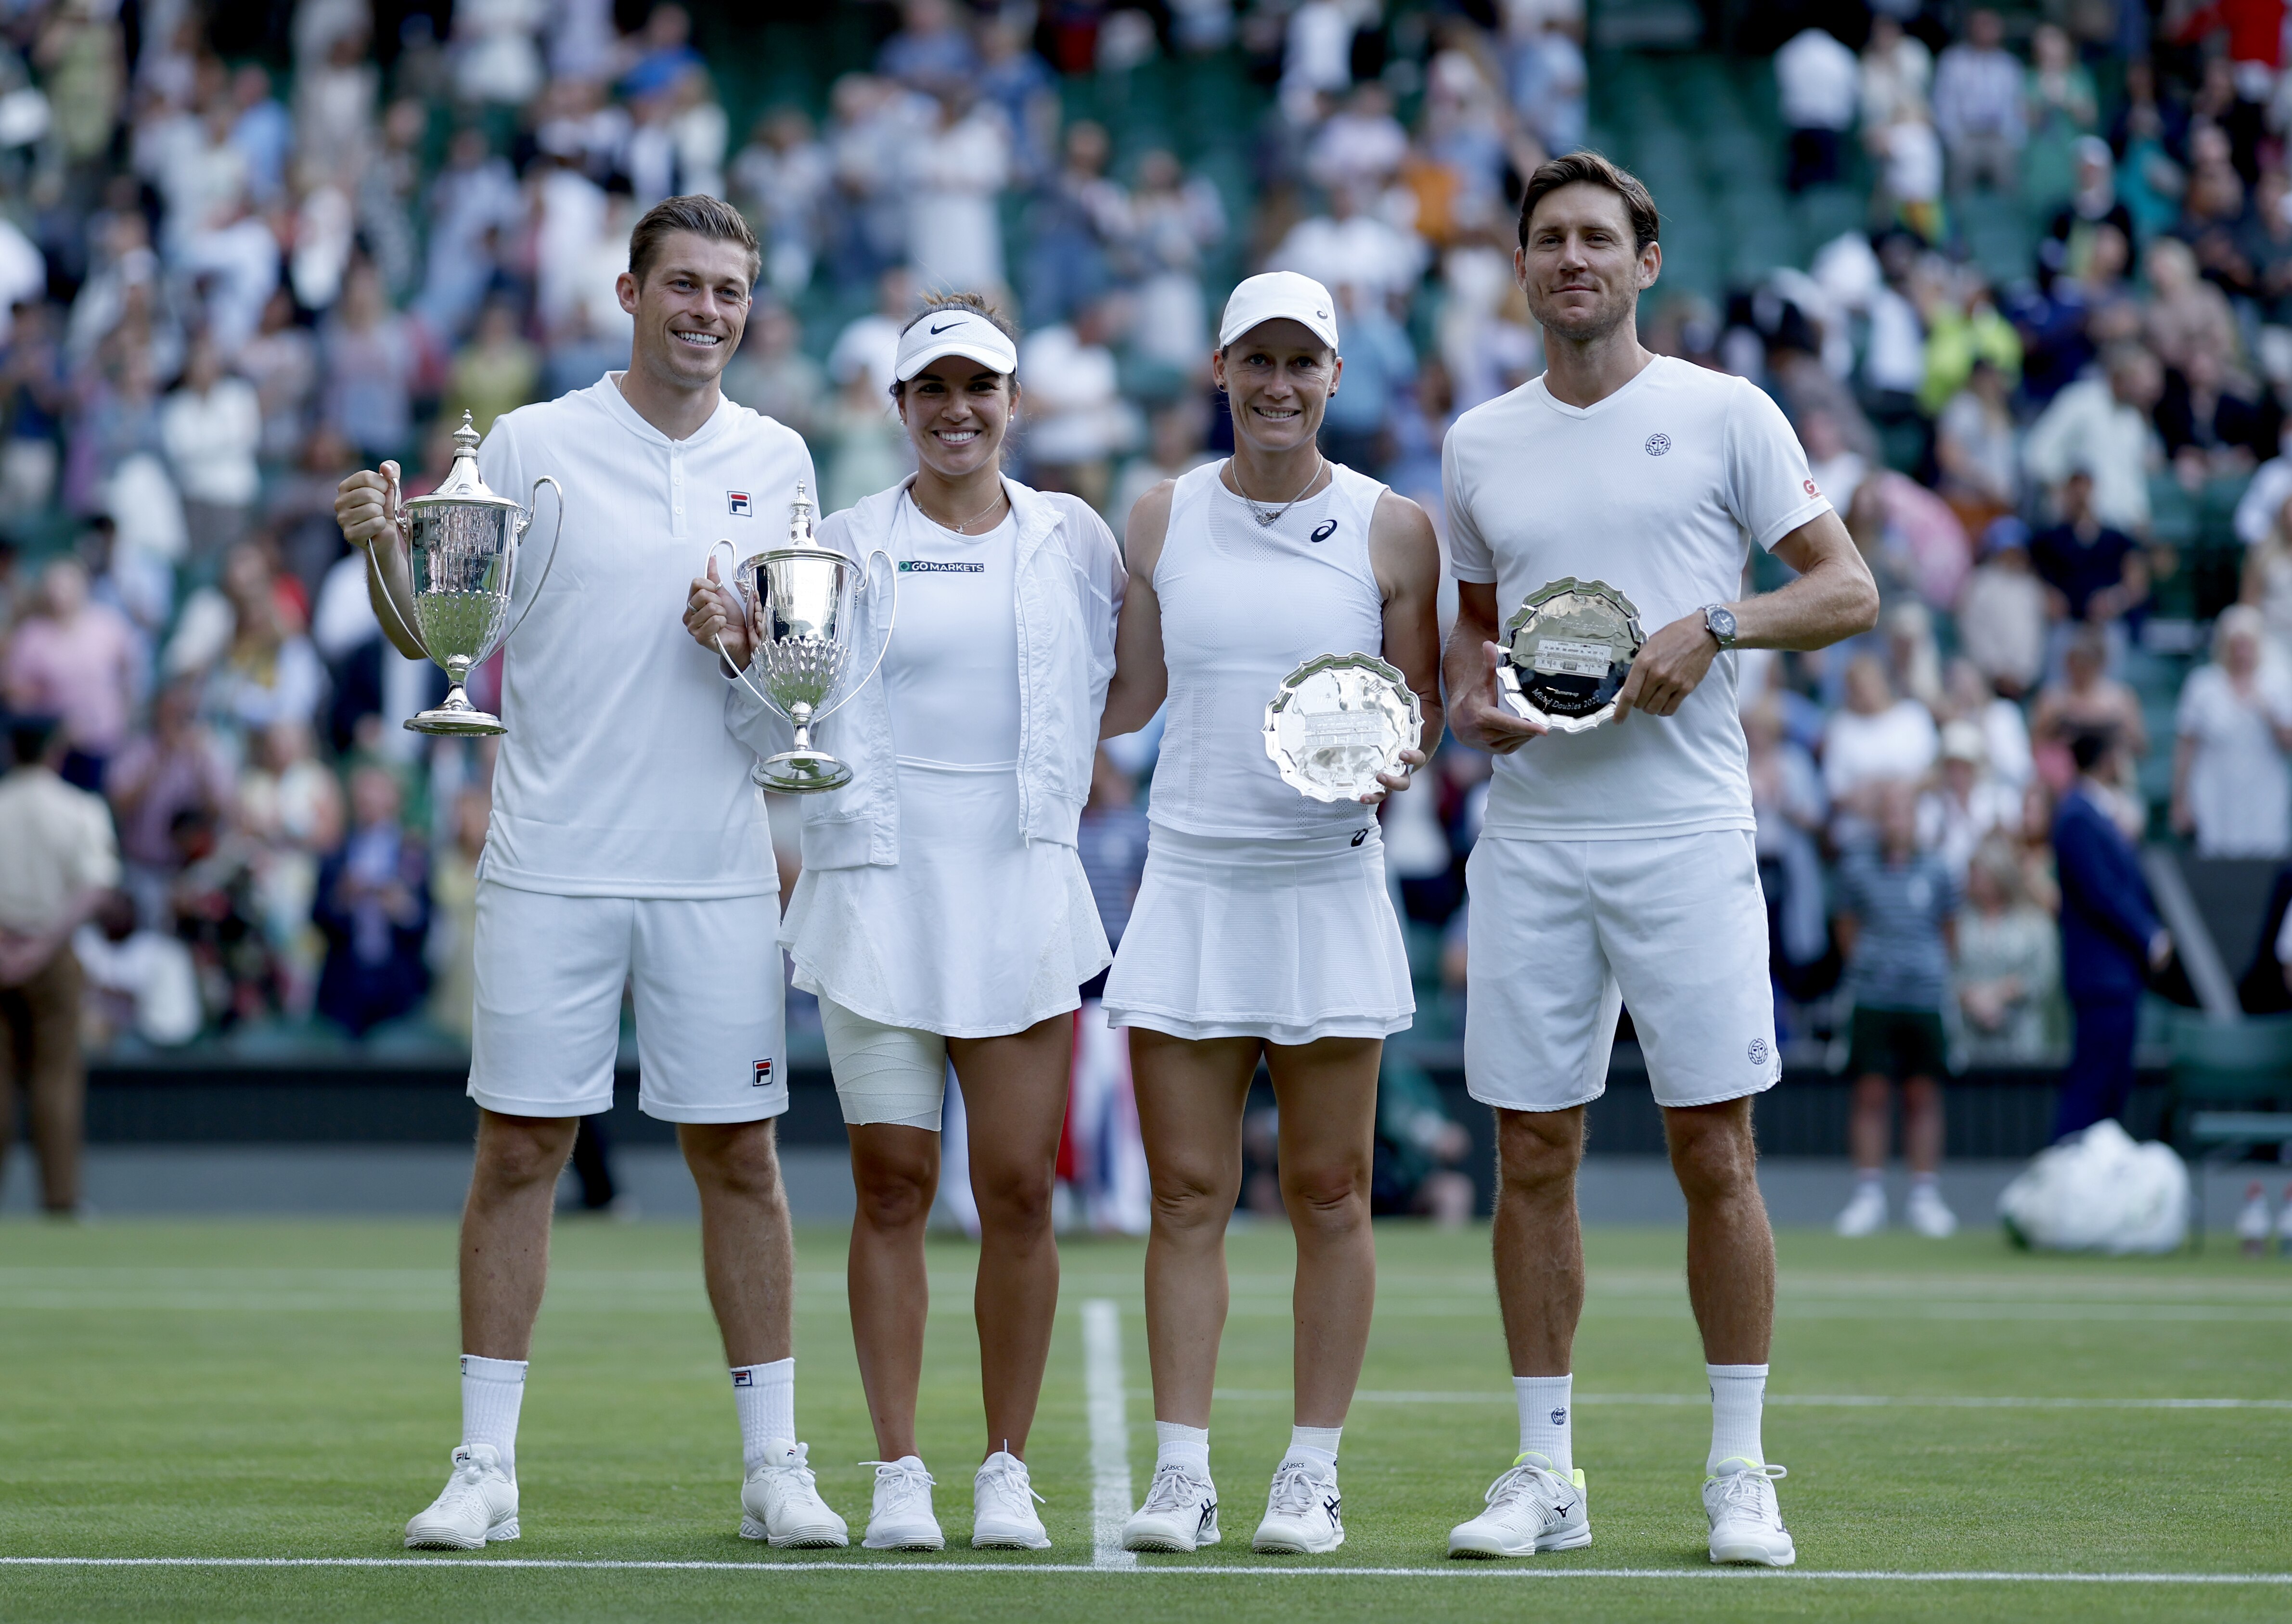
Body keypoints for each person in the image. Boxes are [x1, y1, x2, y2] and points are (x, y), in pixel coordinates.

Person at [334, 196, 846, 1552]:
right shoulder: (531, 442)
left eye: (730, 291)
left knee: (741, 1159)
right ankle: (483, 1466)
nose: (707, 312)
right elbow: (442, 636)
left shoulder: (784, 457)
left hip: (717, 865)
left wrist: (739, 636)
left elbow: (793, 685)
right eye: (684, 285)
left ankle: (773, 1464)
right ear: (631, 291)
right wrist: (389, 549)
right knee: (520, 1151)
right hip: (551, 856)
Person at [1438, 153, 1878, 1567]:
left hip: (1686, 837)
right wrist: (1469, 698)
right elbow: (1475, 626)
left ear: (1645, 262)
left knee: (1715, 1150)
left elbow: (1848, 586)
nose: (1570, 258)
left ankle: (1741, 1469)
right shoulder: (1477, 445)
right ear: (1521, 268)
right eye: (1547, 239)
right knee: (1533, 1151)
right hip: (1536, 839)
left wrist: (1721, 625)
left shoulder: (1726, 413)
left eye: (1596, 239)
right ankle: (1544, 1475)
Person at [695, 292, 1123, 1554]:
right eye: (931, 390)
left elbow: (1114, 688)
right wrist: (739, 653)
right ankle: (897, 1470)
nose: (956, 410)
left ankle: (1004, 1467)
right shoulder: (833, 541)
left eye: (977, 387)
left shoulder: (1076, 537)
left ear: (1011, 401)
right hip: (877, 887)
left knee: (1017, 1194)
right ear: (899, 407)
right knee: (893, 1184)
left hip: (1024, 886)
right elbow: (776, 723)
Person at [1097, 270, 1444, 1557]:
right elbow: (1124, 695)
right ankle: (1181, 1470)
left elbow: (1416, 706)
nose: (1279, 385)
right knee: (1187, 1194)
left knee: (1333, 1191)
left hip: (1325, 881)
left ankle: (1310, 1470)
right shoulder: (1159, 514)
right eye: (1258, 361)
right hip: (1190, 877)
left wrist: (1400, 753)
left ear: (1335, 377)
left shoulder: (1394, 528)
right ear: (1221, 368)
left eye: (1303, 363)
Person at [0, 714, 121, 1215]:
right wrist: (43, 944)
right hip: (49, 954)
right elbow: (95, 887)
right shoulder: (79, 809)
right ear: (54, 751)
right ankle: (60, 1199)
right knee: (57, 1076)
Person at [1831, 780, 1961, 1239]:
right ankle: (1869, 1195)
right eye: (1889, 812)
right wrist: (1875, 968)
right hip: (1872, 998)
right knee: (1869, 1094)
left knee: (1923, 1095)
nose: (1897, 821)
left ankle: (1925, 1195)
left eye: (1904, 812)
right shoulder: (1857, 868)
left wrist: (1922, 971)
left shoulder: (1941, 870)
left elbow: (1949, 934)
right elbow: (1847, 930)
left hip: (1925, 998)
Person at [2053, 731, 2173, 1140]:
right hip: (2101, 976)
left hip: (2116, 975)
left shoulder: (2096, 815)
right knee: (2091, 1089)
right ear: (2105, 760)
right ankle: (2063, 1174)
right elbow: (2103, 891)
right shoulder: (2077, 817)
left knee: (2110, 1089)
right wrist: (2149, 936)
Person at [2172, 604, 2292, 858]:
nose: (2241, 653)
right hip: (2214, 794)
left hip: (2264, 798)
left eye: (2247, 644)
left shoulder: (2277, 684)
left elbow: (2288, 742)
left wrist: (2267, 710)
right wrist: (2181, 800)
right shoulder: (2202, 684)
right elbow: (2186, 746)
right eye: (2235, 644)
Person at [1955, 833, 2059, 1063]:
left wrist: (1999, 994)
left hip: (2021, 1041)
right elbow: (1945, 972)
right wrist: (1971, 998)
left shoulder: (2034, 924)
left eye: (1981, 875)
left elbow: (2044, 976)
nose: (1975, 881)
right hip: (1968, 1042)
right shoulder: (1958, 922)